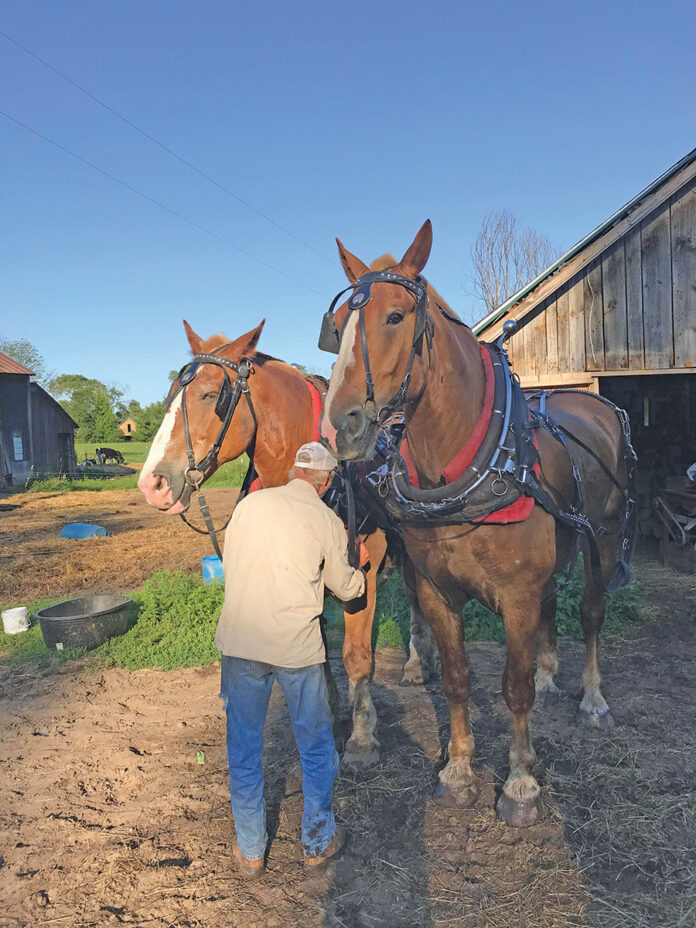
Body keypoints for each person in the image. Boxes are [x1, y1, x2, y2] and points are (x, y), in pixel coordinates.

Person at [216, 441, 369, 879]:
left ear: (294, 472)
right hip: (297, 650)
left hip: (242, 644)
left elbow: (235, 563)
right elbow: (344, 587)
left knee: (244, 747)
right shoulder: (326, 519)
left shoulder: (250, 505)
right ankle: (317, 843)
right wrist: (362, 573)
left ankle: (250, 850)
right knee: (316, 746)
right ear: (324, 480)